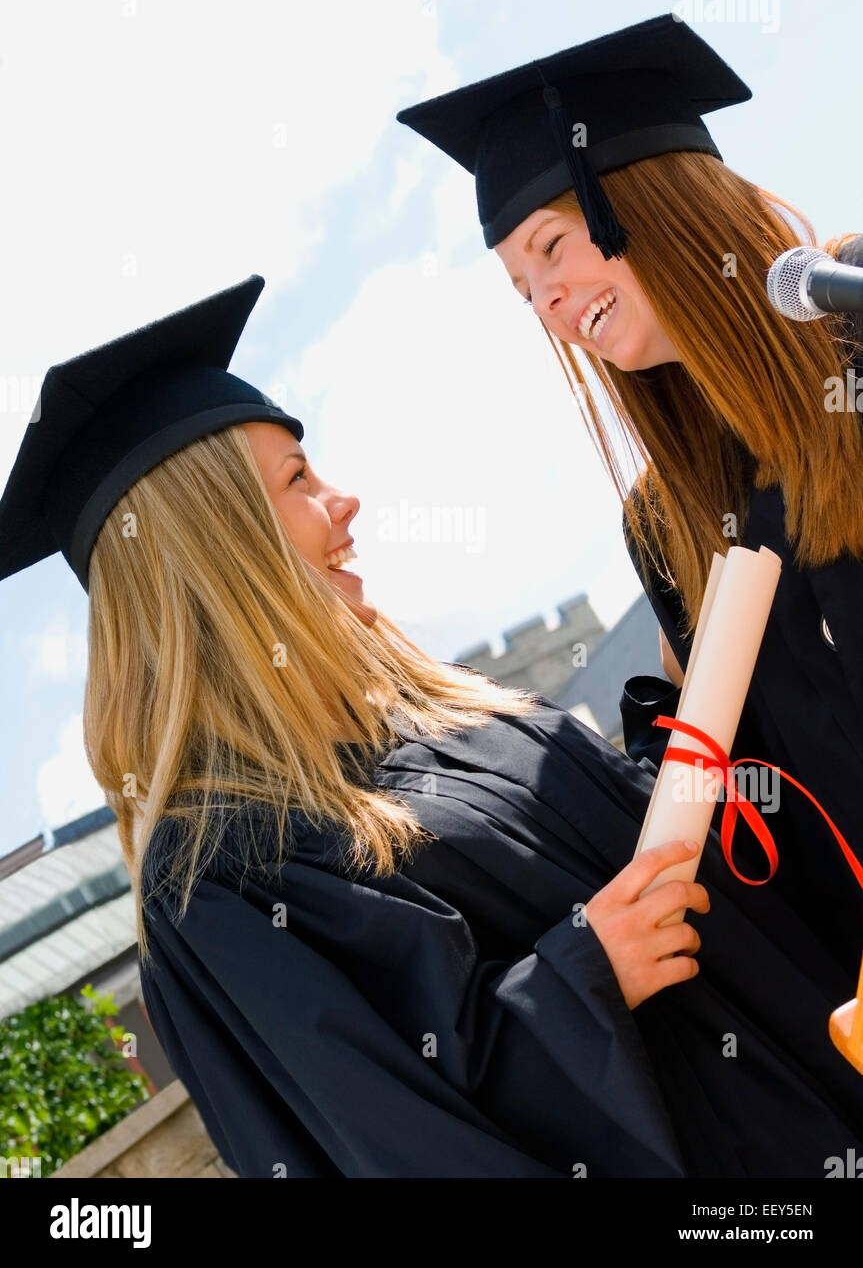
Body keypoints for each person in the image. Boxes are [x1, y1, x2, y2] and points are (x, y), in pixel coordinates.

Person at [1, 275, 861, 1180]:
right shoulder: (220, 877)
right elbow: (391, 1139)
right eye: (301, 481)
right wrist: (583, 974)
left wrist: (693, 692)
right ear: (221, 551)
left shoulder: (450, 717)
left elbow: (644, 844)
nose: (344, 503)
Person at [396, 12, 863, 987]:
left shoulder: (851, 314)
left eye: (552, 248)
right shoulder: (669, 523)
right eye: (524, 290)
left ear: (639, 197)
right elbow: (758, 797)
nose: (548, 304)